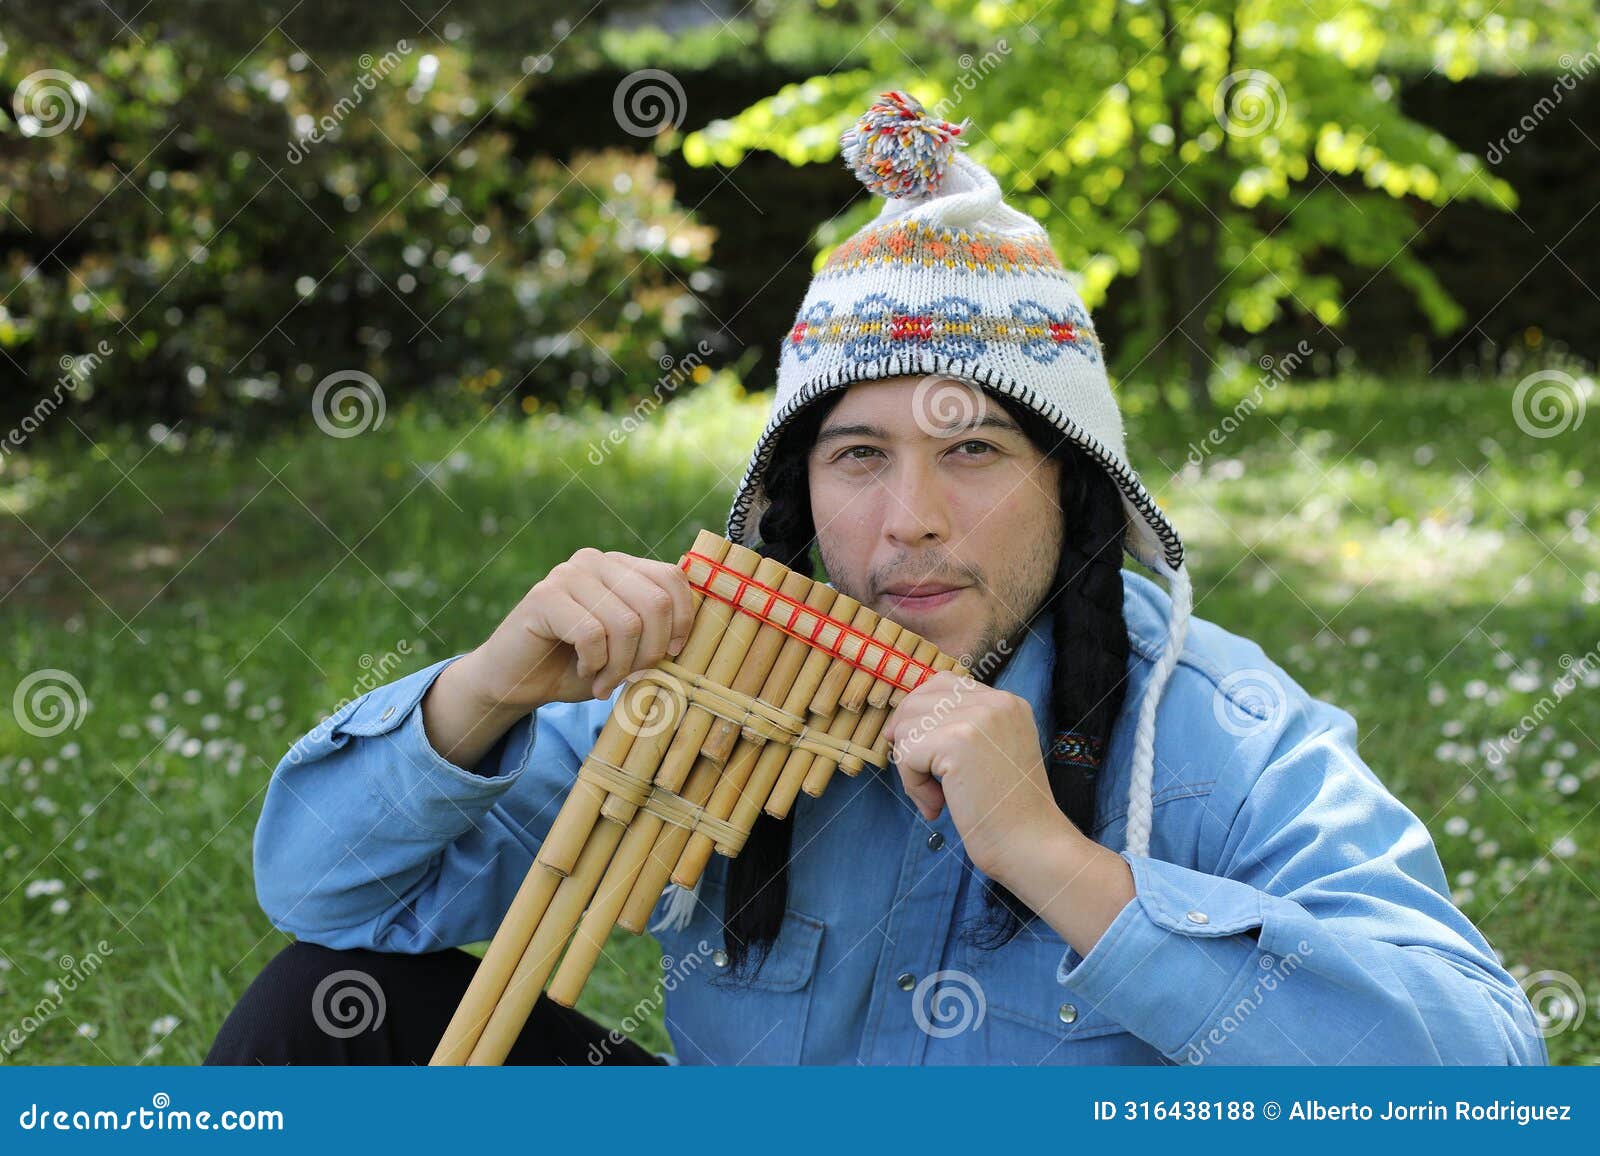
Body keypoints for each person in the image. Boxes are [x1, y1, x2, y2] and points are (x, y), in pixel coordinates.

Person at [208, 90, 1546, 1066]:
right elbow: (332, 898)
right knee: (327, 1008)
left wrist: (1055, 858)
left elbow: (1477, 1070)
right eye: (857, 455)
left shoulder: (1215, 724)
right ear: (799, 491)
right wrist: (483, 698)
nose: (906, 520)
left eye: (973, 452)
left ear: (1071, 489)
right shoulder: (717, 682)